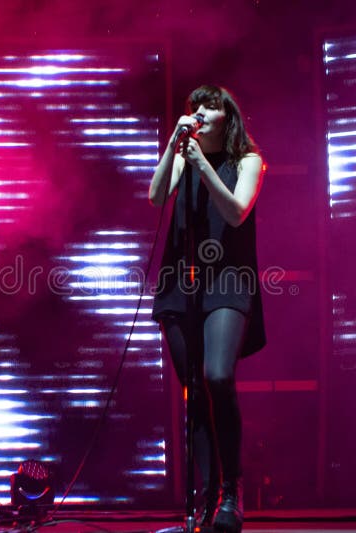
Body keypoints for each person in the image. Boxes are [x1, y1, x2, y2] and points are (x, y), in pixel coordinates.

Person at [149, 85, 266, 533]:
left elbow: (236, 212)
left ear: (227, 115)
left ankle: (232, 493)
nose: (198, 112)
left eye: (209, 106)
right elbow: (158, 198)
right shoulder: (184, 153)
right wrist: (173, 150)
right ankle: (205, 502)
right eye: (193, 106)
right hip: (181, 280)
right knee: (194, 391)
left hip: (229, 280)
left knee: (217, 375)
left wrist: (200, 163)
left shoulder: (248, 160)